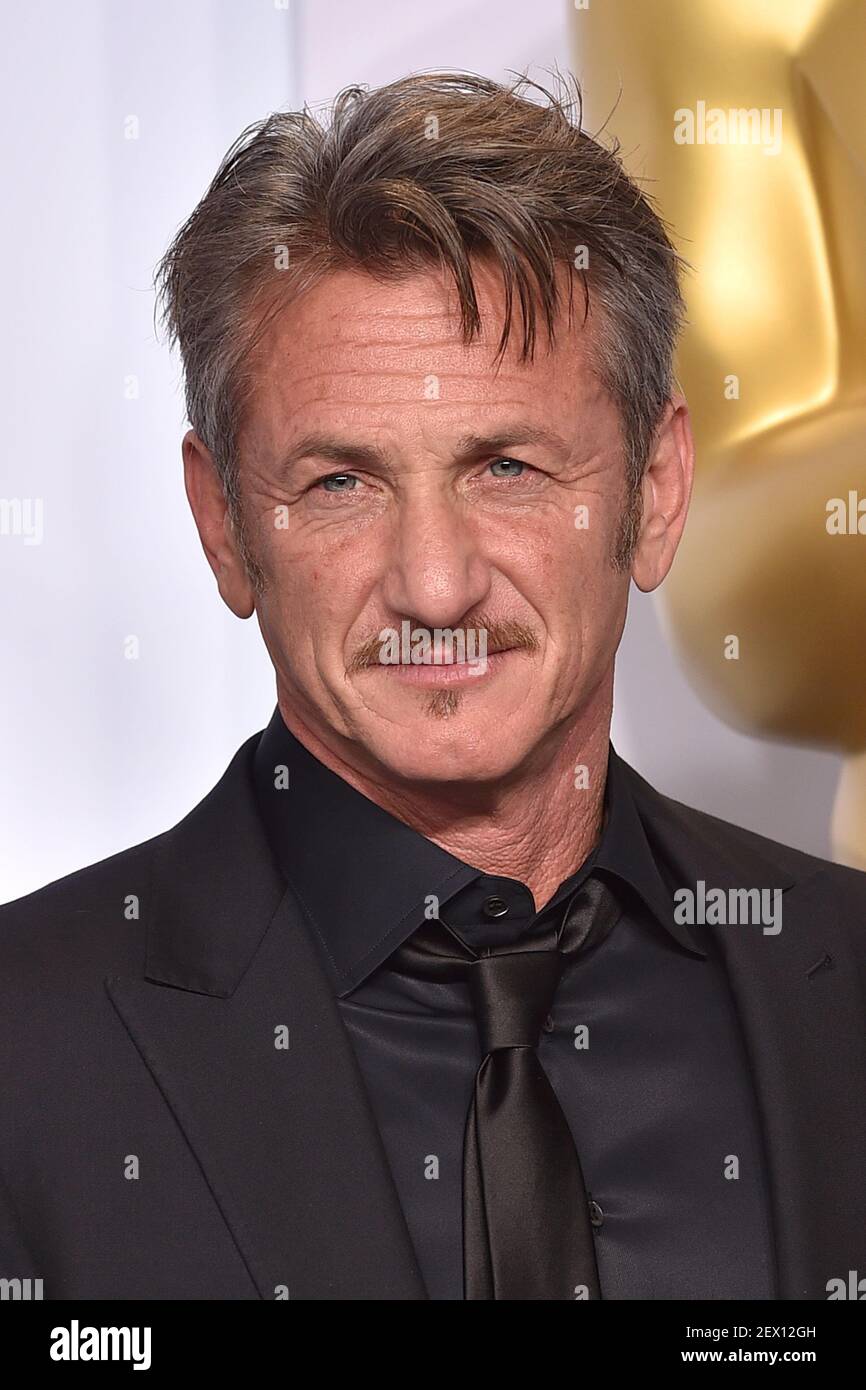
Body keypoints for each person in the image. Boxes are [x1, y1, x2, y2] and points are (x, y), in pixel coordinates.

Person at [2, 71, 864, 1302]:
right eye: (341, 484)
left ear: (655, 494)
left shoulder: (842, 977)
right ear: (224, 525)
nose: (435, 584)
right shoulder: (27, 1047)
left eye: (506, 467)